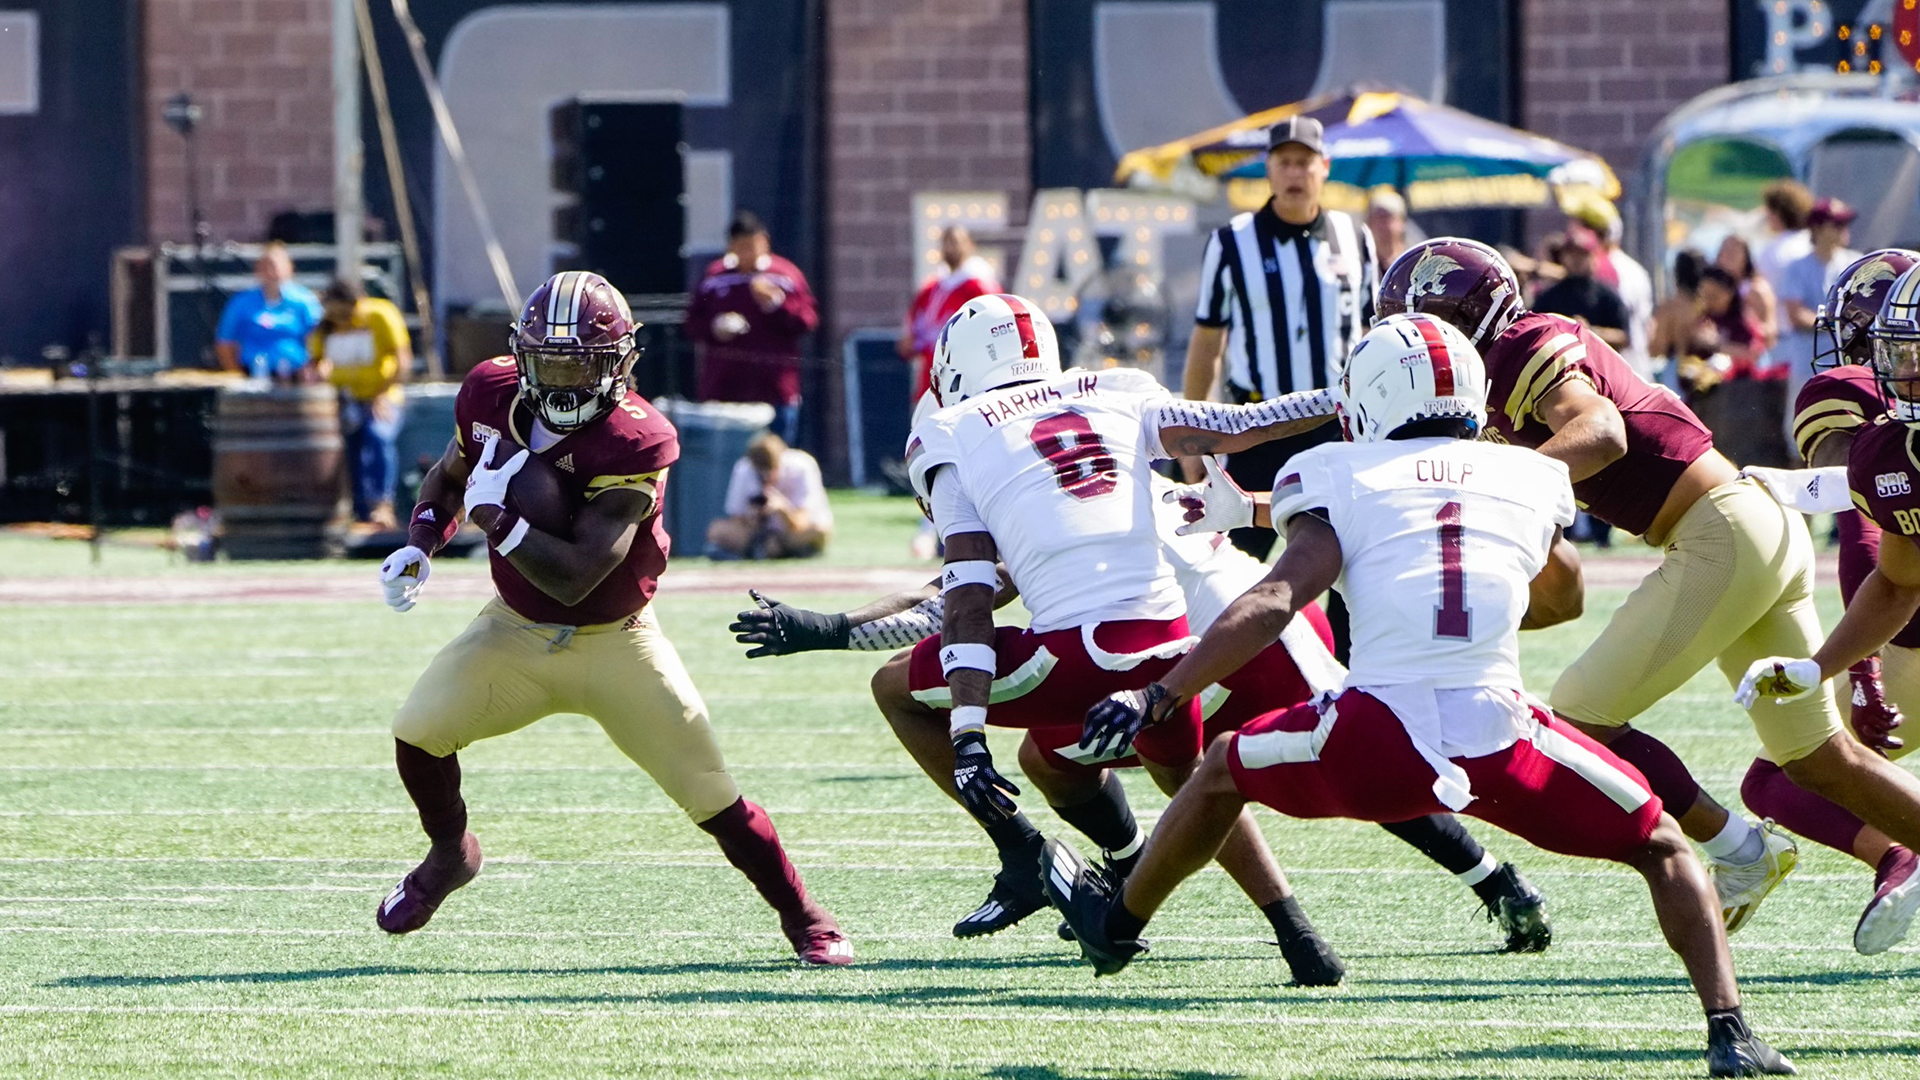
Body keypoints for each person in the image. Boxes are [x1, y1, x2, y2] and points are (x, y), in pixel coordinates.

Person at [1042, 313, 1795, 1078]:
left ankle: (1118, 923)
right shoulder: (1531, 476)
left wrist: (1161, 695)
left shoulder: (1336, 471)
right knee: (1663, 845)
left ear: (1368, 398)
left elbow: (1274, 600)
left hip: (1372, 734)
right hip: (1504, 737)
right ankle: (1731, 1031)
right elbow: (1561, 599)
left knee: (1222, 768)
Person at [731, 460, 1553, 956]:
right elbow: (954, 596)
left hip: (1232, 641)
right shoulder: (1093, 477)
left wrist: (833, 630)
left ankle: (1464, 887)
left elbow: (953, 603)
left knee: (1350, 767)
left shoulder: (1034, 503)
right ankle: (1130, 868)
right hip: (1226, 638)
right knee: (1049, 756)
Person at [370, 270, 852, 966]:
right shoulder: (489, 391)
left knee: (712, 794)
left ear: (620, 363)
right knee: (417, 734)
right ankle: (451, 854)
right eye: (549, 362)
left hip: (616, 639)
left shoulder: (638, 438)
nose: (562, 382)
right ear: (522, 356)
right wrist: (419, 542)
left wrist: (493, 518)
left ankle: (804, 915)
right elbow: (450, 475)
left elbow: (577, 575)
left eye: (580, 364)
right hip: (515, 627)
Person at [884, 292, 1348, 976]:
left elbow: (970, 593)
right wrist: (1349, 397)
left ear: (956, 367)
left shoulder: (950, 429)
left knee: (893, 686)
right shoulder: (1117, 388)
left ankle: (1022, 853)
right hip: (1169, 653)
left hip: (1080, 657)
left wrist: (970, 736)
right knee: (1191, 781)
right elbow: (1243, 425)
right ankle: (1299, 936)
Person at [1380, 238, 1810, 932]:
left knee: (1580, 713)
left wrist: (1498, 488)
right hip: (1738, 524)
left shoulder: (1520, 347)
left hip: (1720, 528)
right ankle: (1893, 851)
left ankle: (1742, 849)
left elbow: (1601, 431)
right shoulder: (1495, 375)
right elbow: (1565, 587)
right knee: (1821, 758)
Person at [1733, 248, 1920, 956]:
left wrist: (1865, 673)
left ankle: (1895, 854)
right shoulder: (1894, 445)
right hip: (1902, 632)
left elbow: (1859, 523)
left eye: (1909, 350)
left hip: (1909, 654)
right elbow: (1892, 561)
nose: (1898, 366)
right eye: (1895, 350)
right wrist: (1833, 665)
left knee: (1778, 776)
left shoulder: (1847, 397)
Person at [1184, 114, 1377, 561]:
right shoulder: (1231, 242)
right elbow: (1208, 341)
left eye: (1304, 162)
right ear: (1268, 168)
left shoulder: (1355, 238)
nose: (1295, 173)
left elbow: (1372, 333)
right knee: (1227, 563)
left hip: (1338, 425)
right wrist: (1194, 438)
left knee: (1348, 556)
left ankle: (1344, 638)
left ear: (1324, 167)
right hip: (1258, 427)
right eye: (1285, 162)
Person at [687, 212, 818, 443]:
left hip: (774, 389)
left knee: (775, 459)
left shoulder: (785, 275)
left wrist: (777, 304)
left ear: (764, 242)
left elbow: (807, 320)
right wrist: (716, 327)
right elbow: (693, 323)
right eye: (740, 246)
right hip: (725, 389)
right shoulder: (715, 277)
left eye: (751, 245)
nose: (746, 253)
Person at [315, 278, 411, 528]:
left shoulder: (380, 315)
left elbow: (403, 361)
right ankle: (357, 511)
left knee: (378, 434)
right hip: (344, 399)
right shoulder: (325, 326)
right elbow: (314, 361)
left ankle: (383, 506)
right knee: (346, 446)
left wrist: (381, 394)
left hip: (383, 394)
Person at [1777, 197, 1862, 450]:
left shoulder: (1854, 262)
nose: (1843, 229)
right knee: (1801, 430)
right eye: (1836, 223)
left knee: (1853, 428)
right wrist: (1840, 322)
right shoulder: (1796, 268)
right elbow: (1796, 315)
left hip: (1848, 364)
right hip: (1808, 363)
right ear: (1817, 228)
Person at [899, 226, 999, 401]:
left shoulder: (978, 287)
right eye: (947, 243)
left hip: (968, 377)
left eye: (956, 242)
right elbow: (908, 339)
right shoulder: (931, 290)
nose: (951, 248)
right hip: (932, 378)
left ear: (969, 245)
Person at [705, 432, 833, 559]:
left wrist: (782, 509)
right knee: (716, 530)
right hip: (758, 534)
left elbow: (803, 522)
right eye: (760, 474)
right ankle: (765, 549)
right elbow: (736, 517)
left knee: (818, 530)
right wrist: (753, 518)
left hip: (791, 532)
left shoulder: (800, 468)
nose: (765, 479)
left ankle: (777, 549)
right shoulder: (744, 469)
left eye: (770, 473)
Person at [214, 241, 322, 380]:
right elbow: (225, 342)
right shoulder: (241, 302)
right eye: (266, 266)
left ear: (289, 268)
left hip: (295, 378)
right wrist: (237, 375)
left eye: (276, 266)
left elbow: (318, 339)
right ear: (257, 269)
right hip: (252, 376)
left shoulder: (304, 302)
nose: (271, 272)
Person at [1530, 231, 1630, 351]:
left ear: (1594, 257)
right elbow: (1533, 331)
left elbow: (1623, 337)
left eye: (1582, 254)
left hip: (1598, 364)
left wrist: (1590, 331)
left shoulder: (1606, 295)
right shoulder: (1549, 296)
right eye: (1571, 254)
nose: (1576, 260)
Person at [1365, 188, 1412, 272]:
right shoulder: (1364, 263)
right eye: (1379, 218)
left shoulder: (1413, 259)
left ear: (1402, 221)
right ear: (1369, 223)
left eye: (1389, 218)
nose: (1383, 225)